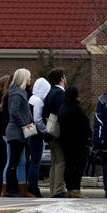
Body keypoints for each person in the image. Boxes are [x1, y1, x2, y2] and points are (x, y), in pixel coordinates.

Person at [5, 68, 35, 198]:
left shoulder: (19, 92)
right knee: (14, 162)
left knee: (18, 161)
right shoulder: (18, 93)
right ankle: (10, 190)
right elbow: (14, 112)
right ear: (23, 78)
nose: (30, 79)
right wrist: (25, 125)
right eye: (28, 77)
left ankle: (17, 189)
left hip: (19, 133)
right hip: (16, 133)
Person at [58, 86, 90, 198]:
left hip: (65, 142)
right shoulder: (76, 109)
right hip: (78, 142)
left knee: (69, 165)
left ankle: (70, 188)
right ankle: (76, 189)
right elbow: (85, 125)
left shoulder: (63, 108)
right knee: (79, 166)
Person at [42, 67, 68, 198]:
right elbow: (61, 113)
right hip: (57, 133)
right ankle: (58, 190)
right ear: (62, 78)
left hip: (50, 132)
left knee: (54, 162)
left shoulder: (50, 92)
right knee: (60, 161)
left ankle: (53, 189)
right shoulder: (59, 93)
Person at [26, 77, 51, 197]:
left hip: (29, 132)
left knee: (32, 161)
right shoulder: (39, 102)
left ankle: (31, 185)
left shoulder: (31, 98)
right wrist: (45, 130)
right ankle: (33, 187)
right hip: (36, 134)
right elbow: (37, 119)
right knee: (36, 162)